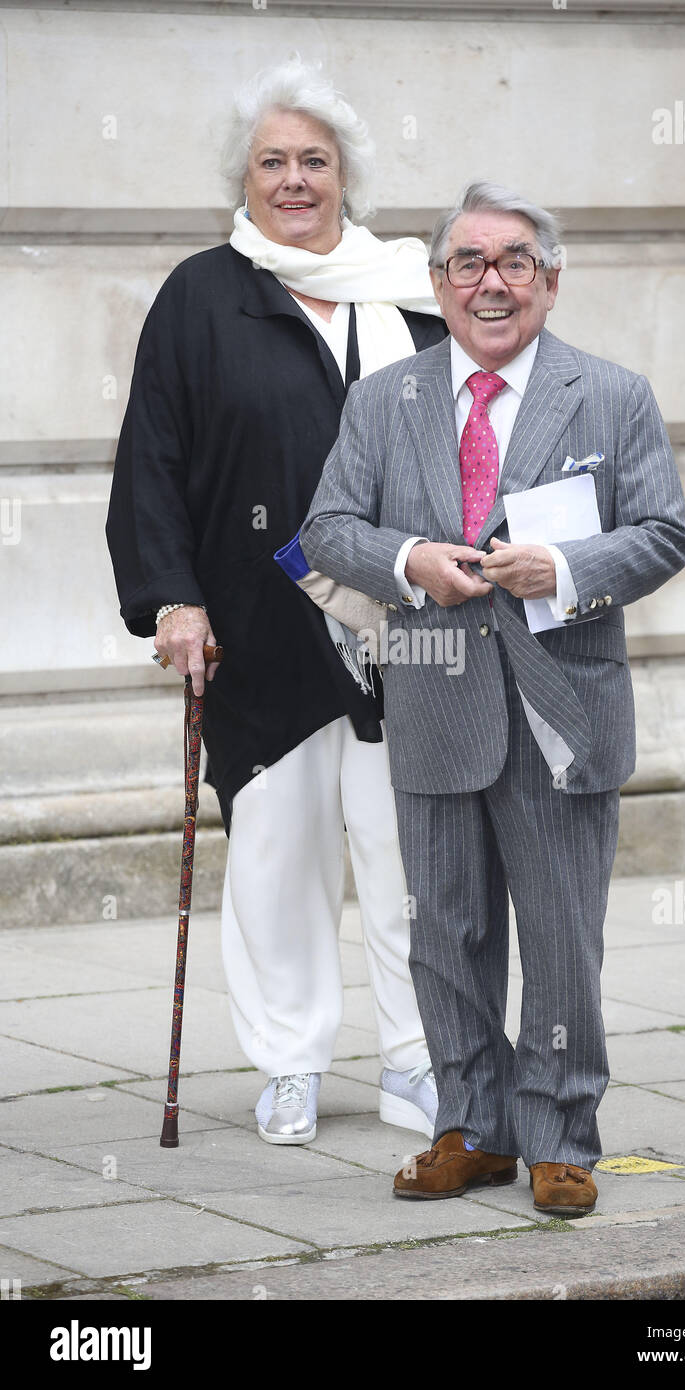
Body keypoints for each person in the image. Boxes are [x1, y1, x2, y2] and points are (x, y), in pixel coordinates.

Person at [302, 181, 685, 1214]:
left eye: (515, 261)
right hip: (436, 703)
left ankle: (562, 1132)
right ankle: (471, 1128)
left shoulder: (614, 395)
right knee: (446, 932)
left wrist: (561, 566)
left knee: (561, 933)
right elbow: (330, 527)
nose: (491, 282)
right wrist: (411, 557)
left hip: (561, 707)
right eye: (468, 262)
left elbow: (663, 533)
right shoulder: (386, 400)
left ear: (551, 282)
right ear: (437, 282)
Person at [106, 59, 447, 1147]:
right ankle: (291, 1063)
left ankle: (418, 1061)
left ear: (349, 175)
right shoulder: (205, 294)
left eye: (315, 159)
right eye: (273, 161)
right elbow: (151, 460)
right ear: (243, 179)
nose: (294, 179)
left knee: (411, 858)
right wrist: (172, 600)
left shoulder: (411, 291)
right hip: (260, 629)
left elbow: (470, 449)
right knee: (277, 853)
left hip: (408, 630)